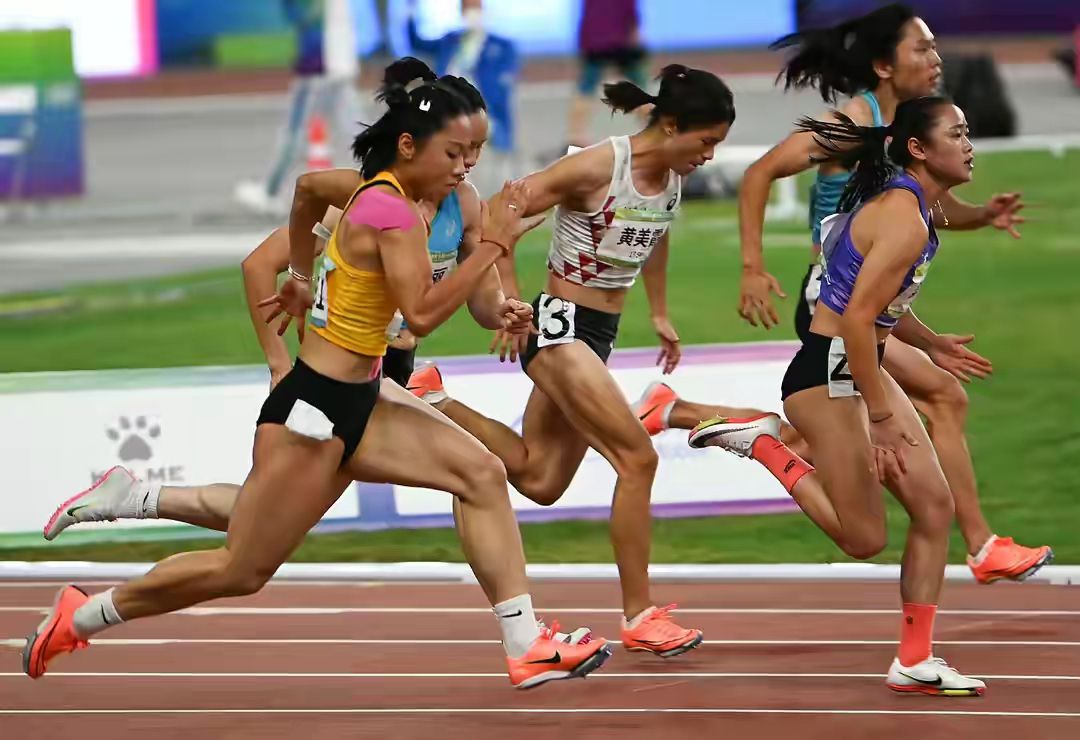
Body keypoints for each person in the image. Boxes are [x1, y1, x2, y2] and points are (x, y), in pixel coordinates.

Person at [24, 71, 611, 689]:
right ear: (408, 146)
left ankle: (527, 644)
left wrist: (302, 276)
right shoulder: (387, 209)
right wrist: (495, 245)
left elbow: (306, 197)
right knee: (241, 569)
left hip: (367, 396)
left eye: (475, 154)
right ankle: (81, 616)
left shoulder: (420, 203)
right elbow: (422, 313)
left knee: (483, 474)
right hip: (314, 412)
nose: (467, 167)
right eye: (454, 153)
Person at [404, 65, 735, 657]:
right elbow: (510, 206)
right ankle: (640, 614)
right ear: (673, 125)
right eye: (706, 141)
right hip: (560, 329)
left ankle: (433, 398)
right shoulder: (598, 165)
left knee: (541, 479)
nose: (711, 156)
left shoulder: (672, 179)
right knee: (636, 459)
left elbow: (654, 237)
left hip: (598, 334)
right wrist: (509, 298)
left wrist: (658, 312)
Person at [723, 4, 1049, 583]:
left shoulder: (914, 137)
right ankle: (978, 544)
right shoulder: (853, 123)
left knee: (937, 398)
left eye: (935, 47)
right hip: (829, 299)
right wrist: (752, 266)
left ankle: (701, 419)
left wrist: (980, 216)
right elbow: (758, 174)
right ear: (883, 65)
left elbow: (931, 208)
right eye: (921, 49)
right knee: (936, 397)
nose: (936, 59)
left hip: (861, 304)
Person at [702, 96, 989, 694]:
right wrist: (881, 418)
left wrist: (930, 343)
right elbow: (858, 321)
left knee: (935, 509)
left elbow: (875, 309)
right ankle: (765, 444)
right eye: (957, 134)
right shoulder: (904, 217)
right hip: (829, 376)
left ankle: (914, 658)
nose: (969, 144)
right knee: (863, 538)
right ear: (918, 148)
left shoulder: (911, 210)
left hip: (859, 367)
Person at [235, 0, 362, 215]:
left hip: (320, 61)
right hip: (334, 57)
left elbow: (304, 14)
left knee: (297, 129)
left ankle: (270, 191)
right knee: (352, 127)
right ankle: (388, 185)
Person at [407, 0, 519, 195]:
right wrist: (410, 12)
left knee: (496, 158)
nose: (471, 13)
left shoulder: (500, 45)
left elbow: (504, 83)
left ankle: (502, 198)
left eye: (475, 8)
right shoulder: (450, 41)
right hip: (449, 108)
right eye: (467, 8)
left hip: (484, 109)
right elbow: (418, 42)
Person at [567, 0, 649, 148]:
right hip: (622, 40)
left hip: (594, 40)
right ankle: (653, 130)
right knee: (640, 88)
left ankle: (575, 136)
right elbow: (631, 12)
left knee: (586, 89)